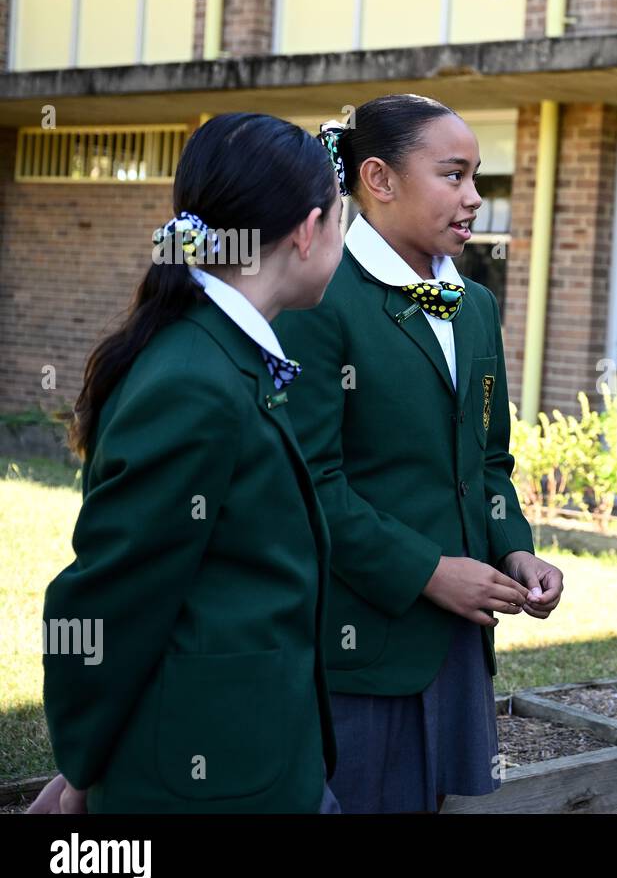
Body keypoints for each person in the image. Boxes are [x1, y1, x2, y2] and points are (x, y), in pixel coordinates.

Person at [33, 112, 344, 813]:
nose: (343, 240)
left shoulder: (223, 354)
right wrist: (82, 770)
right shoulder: (195, 381)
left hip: (256, 757)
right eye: (341, 220)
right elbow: (105, 600)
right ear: (306, 229)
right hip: (207, 784)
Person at [273, 94, 563, 813]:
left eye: (477, 178)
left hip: (459, 635)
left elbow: (489, 464)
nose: (475, 199)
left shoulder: (476, 305)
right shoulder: (321, 299)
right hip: (363, 640)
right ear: (378, 178)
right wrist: (428, 572)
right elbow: (309, 482)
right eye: (454, 176)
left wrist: (514, 549)